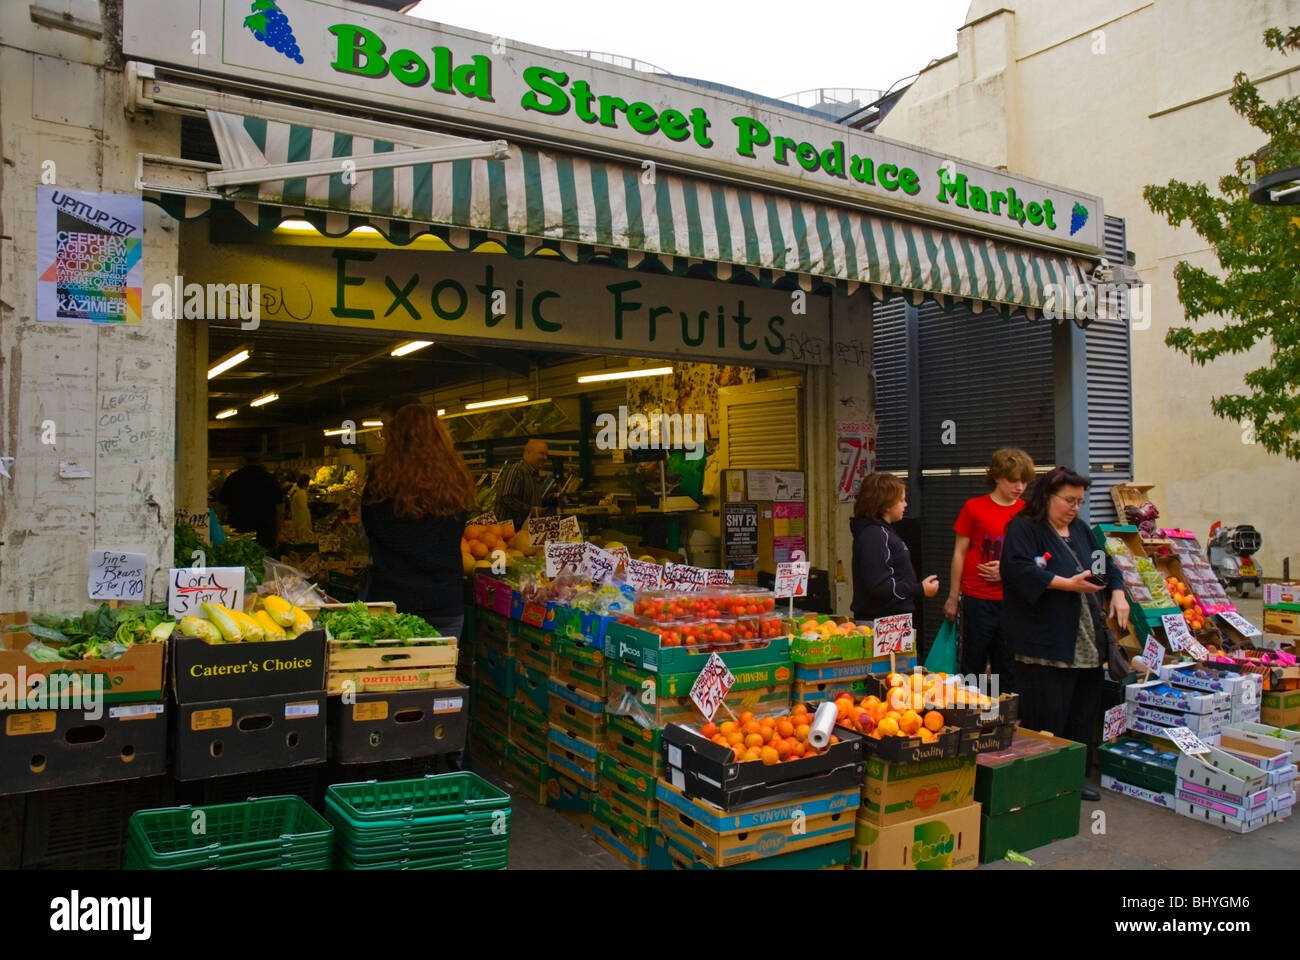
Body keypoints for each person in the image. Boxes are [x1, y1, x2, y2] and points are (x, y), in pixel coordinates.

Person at [1000, 466, 1131, 801]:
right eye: (1069, 500)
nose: (1075, 507)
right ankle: (1042, 780)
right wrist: (1064, 584)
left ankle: (1074, 778)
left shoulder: (1081, 530)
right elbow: (1015, 570)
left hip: (1088, 640)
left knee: (1082, 712)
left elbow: (1108, 567)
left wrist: (1117, 592)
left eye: (1080, 502)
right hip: (1046, 642)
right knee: (1048, 712)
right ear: (1048, 497)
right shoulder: (1025, 528)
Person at [359, 404, 474, 641]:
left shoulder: (381, 479)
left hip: (392, 603)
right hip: (444, 602)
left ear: (395, 436)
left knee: (389, 676)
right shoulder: (456, 479)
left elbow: (368, 532)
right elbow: (458, 529)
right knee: (438, 675)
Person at [944, 448, 1036, 692]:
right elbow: (959, 553)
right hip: (976, 597)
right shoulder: (974, 507)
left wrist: (1006, 572)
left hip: (1012, 600)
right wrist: (954, 597)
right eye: (1013, 480)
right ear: (997, 477)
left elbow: (1036, 558)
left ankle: (1001, 718)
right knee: (972, 661)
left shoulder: (1027, 513)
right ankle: (969, 717)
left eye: (1024, 481)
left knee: (1006, 663)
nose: (1019, 486)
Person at [850, 472, 940, 621]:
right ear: (886, 504)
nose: (905, 505)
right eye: (901, 500)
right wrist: (920, 589)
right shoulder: (875, 535)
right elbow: (879, 585)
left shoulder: (883, 532)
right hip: (884, 621)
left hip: (893, 618)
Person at [218, 449, 283, 551]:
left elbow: (222, 508)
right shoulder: (270, 480)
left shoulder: (233, 479)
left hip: (238, 532)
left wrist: (221, 529)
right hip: (265, 533)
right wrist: (277, 535)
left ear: (242, 460)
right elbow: (280, 510)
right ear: (261, 460)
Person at [494, 438, 549, 532]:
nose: (545, 458)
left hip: (524, 532)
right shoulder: (516, 470)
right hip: (508, 531)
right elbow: (506, 498)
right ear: (528, 453)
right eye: (541, 453)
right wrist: (531, 510)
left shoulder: (534, 475)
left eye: (546, 455)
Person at [284, 473, 313, 543]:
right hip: (301, 522)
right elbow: (303, 510)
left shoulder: (296, 491)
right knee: (302, 540)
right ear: (305, 482)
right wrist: (306, 525)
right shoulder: (301, 493)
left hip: (296, 520)